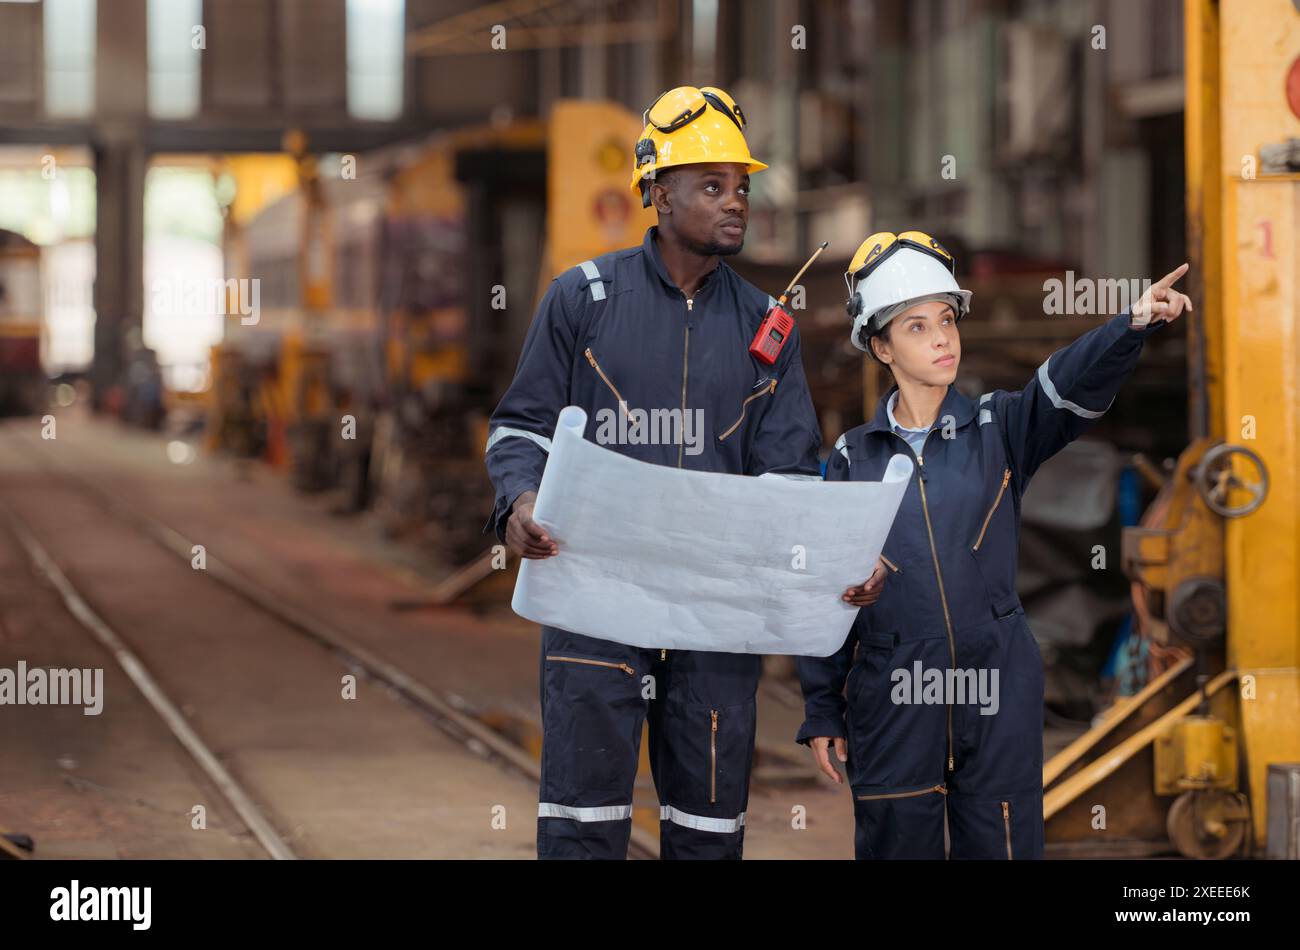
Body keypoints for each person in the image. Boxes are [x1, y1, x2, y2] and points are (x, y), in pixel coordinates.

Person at [484, 86, 823, 859]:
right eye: (712, 186)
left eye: (741, 186)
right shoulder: (583, 301)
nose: (735, 202)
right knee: (583, 825)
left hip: (715, 611)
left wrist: (812, 563)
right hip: (595, 593)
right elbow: (521, 426)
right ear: (659, 195)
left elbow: (791, 472)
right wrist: (521, 499)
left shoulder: (768, 329)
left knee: (708, 831)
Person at [796, 230, 1190, 859]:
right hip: (895, 692)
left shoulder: (998, 428)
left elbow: (1065, 383)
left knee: (1003, 846)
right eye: (917, 327)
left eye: (947, 320)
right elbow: (822, 594)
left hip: (996, 681)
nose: (942, 338)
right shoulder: (850, 460)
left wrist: (1130, 325)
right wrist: (821, 708)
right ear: (880, 346)